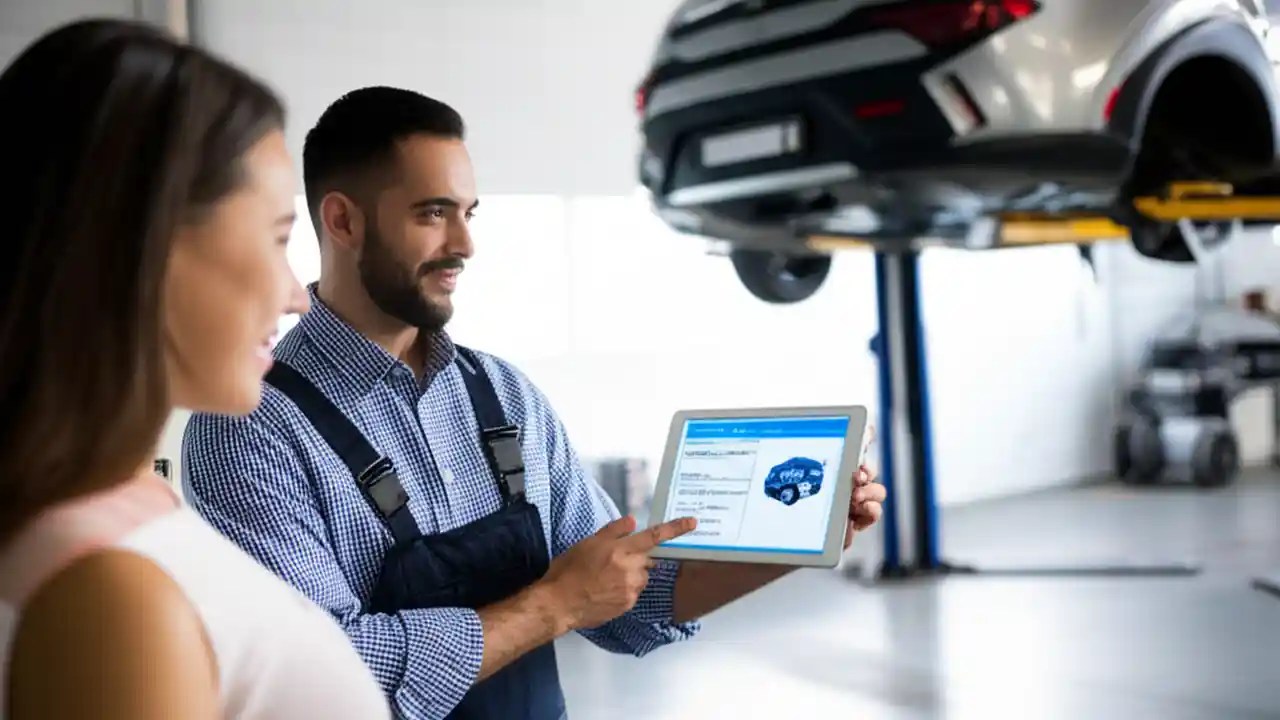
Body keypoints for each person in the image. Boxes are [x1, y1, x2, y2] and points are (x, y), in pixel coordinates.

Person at [182, 85, 887, 720]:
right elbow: (323, 677)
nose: (465, 244)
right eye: (433, 213)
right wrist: (553, 605)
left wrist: (798, 538)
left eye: (468, 213)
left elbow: (624, 602)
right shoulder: (250, 427)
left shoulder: (505, 396)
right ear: (342, 221)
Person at [0, 20, 391, 720]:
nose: (297, 295)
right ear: (146, 244)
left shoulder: (125, 513)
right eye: (277, 238)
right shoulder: (111, 602)